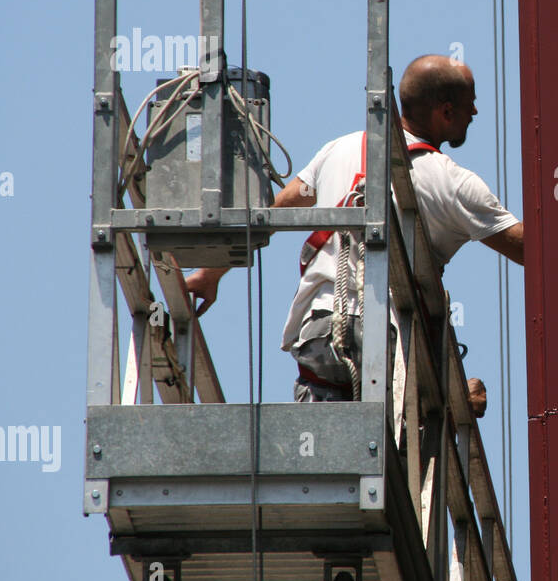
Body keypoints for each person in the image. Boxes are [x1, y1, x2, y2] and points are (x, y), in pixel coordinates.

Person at [185, 54, 523, 406]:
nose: (476, 113)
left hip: (319, 334)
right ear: (446, 112)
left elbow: (272, 214)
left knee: (323, 444)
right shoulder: (453, 182)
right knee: (411, 434)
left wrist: (212, 272)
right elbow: (531, 251)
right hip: (389, 341)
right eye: (471, 105)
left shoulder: (339, 150)